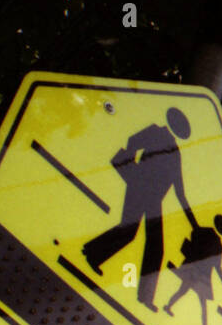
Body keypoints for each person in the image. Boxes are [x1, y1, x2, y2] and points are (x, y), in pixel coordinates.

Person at [80, 107, 197, 312]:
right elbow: (133, 141)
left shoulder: (176, 154)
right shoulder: (156, 132)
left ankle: (144, 296)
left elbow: (180, 192)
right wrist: (134, 174)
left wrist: (194, 223)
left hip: (153, 199)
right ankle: (92, 253)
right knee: (129, 232)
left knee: (155, 244)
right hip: (139, 188)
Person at [163, 214, 222, 325]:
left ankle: (169, 306)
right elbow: (218, 267)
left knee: (185, 292)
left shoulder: (206, 232)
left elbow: (193, 233)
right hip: (200, 275)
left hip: (196, 273)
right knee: (199, 303)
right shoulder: (218, 246)